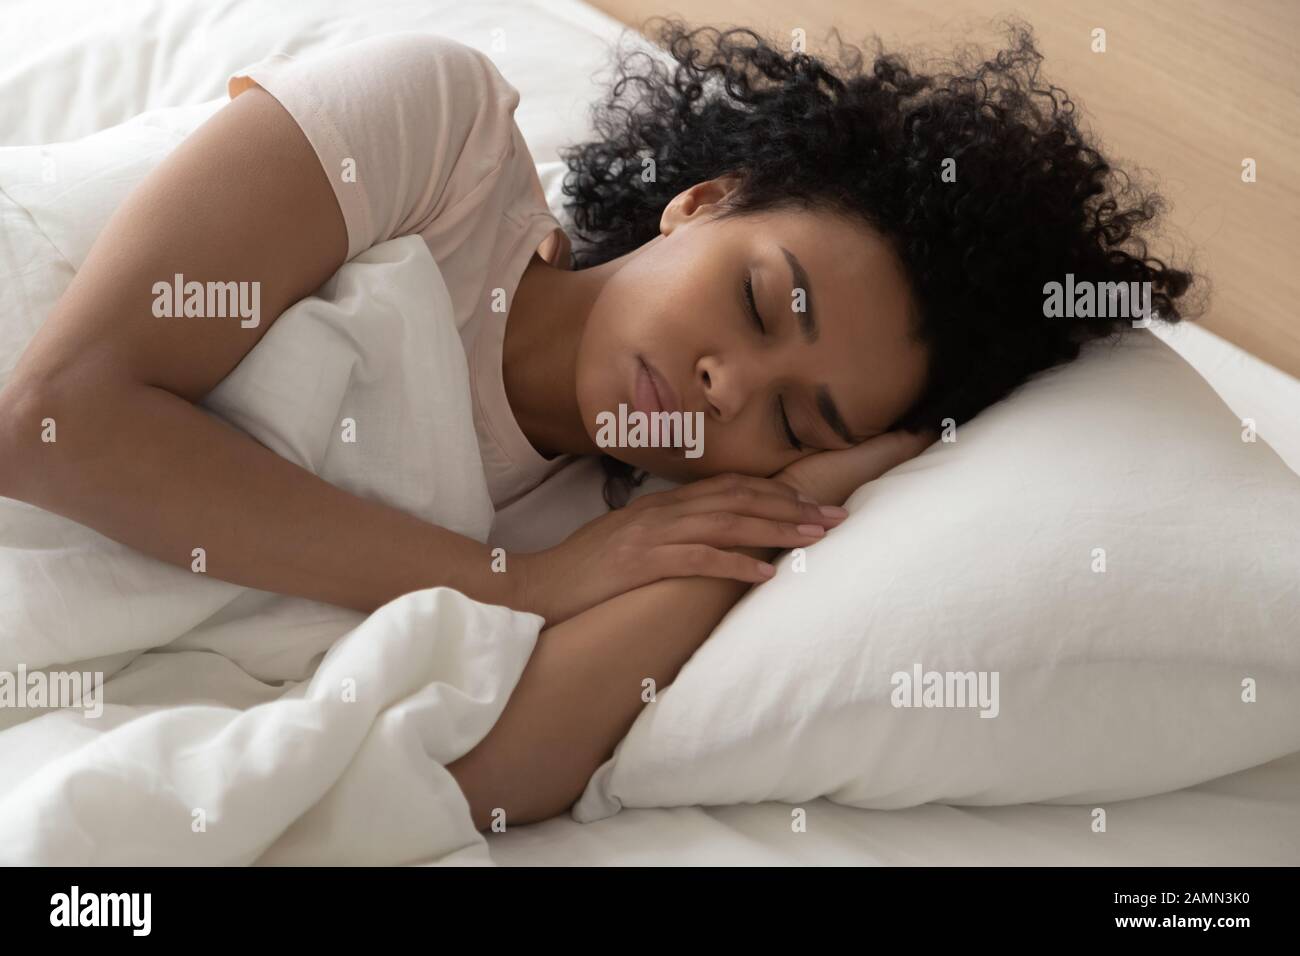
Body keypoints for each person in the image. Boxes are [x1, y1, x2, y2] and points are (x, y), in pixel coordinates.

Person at [0, 20, 1194, 827]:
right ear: (701, 201)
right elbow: (53, 421)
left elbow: (478, 782)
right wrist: (511, 581)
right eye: (756, 300)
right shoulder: (443, 137)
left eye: (791, 416)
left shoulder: (603, 528)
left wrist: (781, 513)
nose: (729, 386)